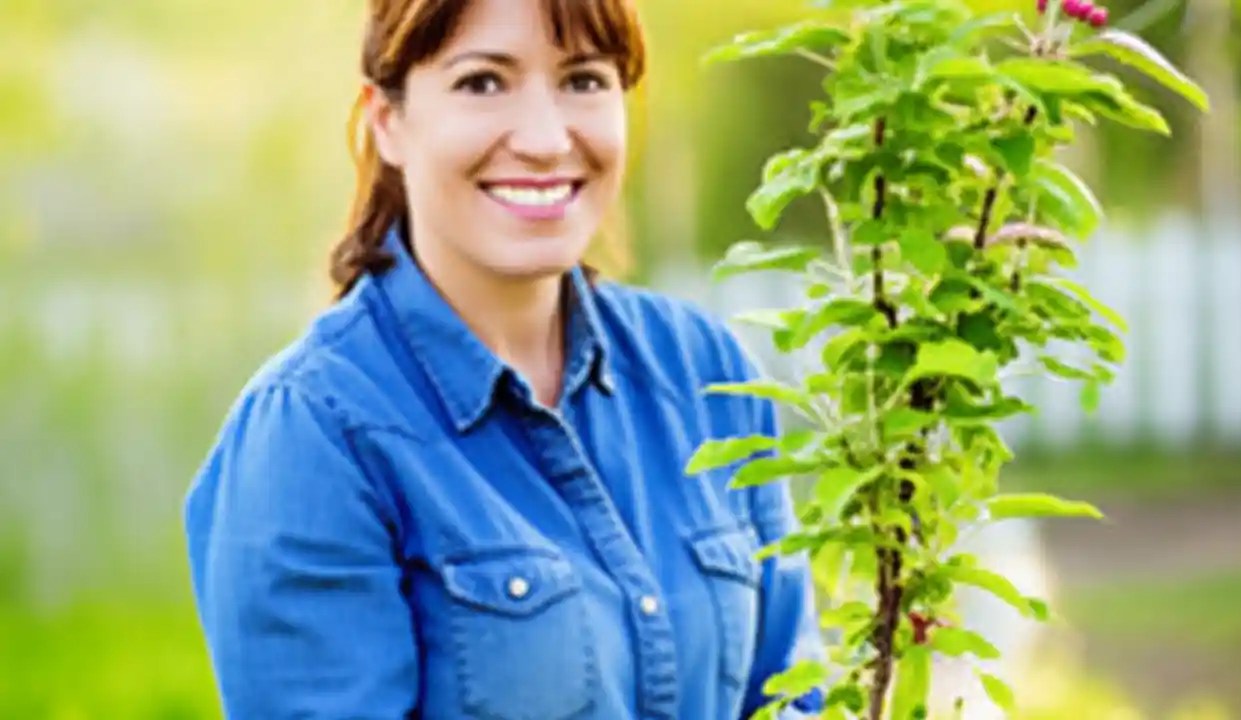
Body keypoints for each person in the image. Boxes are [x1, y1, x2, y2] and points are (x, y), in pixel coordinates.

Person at [182, 0, 825, 717]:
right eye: (483, 82)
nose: (548, 140)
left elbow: (796, 693)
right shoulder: (315, 436)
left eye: (583, 80)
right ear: (387, 120)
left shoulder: (707, 372)